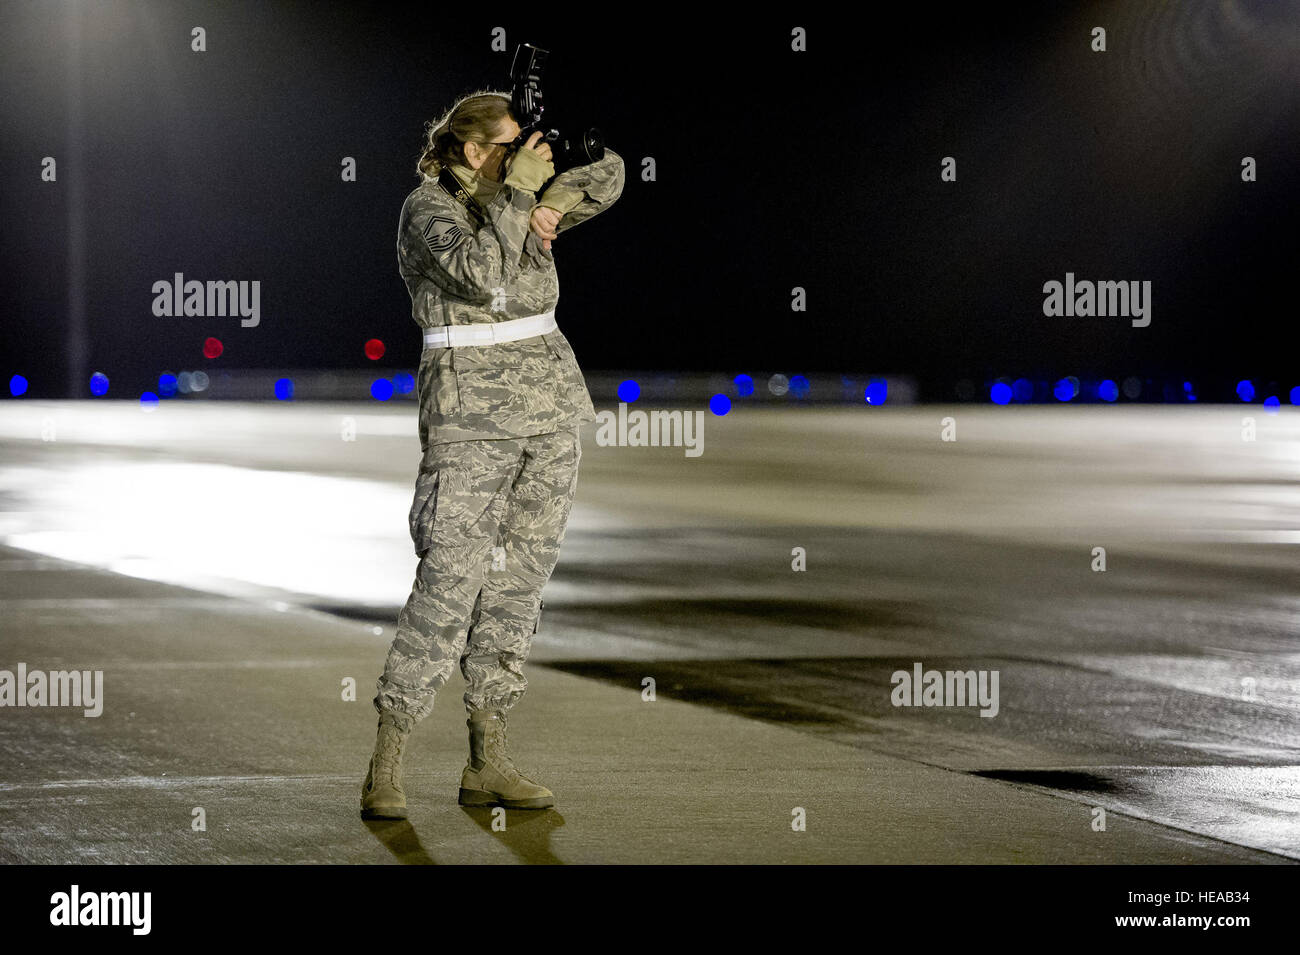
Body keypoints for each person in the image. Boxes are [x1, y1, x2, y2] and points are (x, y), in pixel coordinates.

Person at [360, 89, 624, 818]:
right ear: (476, 150)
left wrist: (555, 177)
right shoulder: (428, 210)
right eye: (512, 145)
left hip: (548, 416)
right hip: (471, 423)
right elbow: (481, 274)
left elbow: (611, 177)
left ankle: (488, 757)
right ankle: (388, 762)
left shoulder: (525, 196)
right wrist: (519, 198)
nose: (526, 158)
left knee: (517, 589)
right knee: (448, 586)